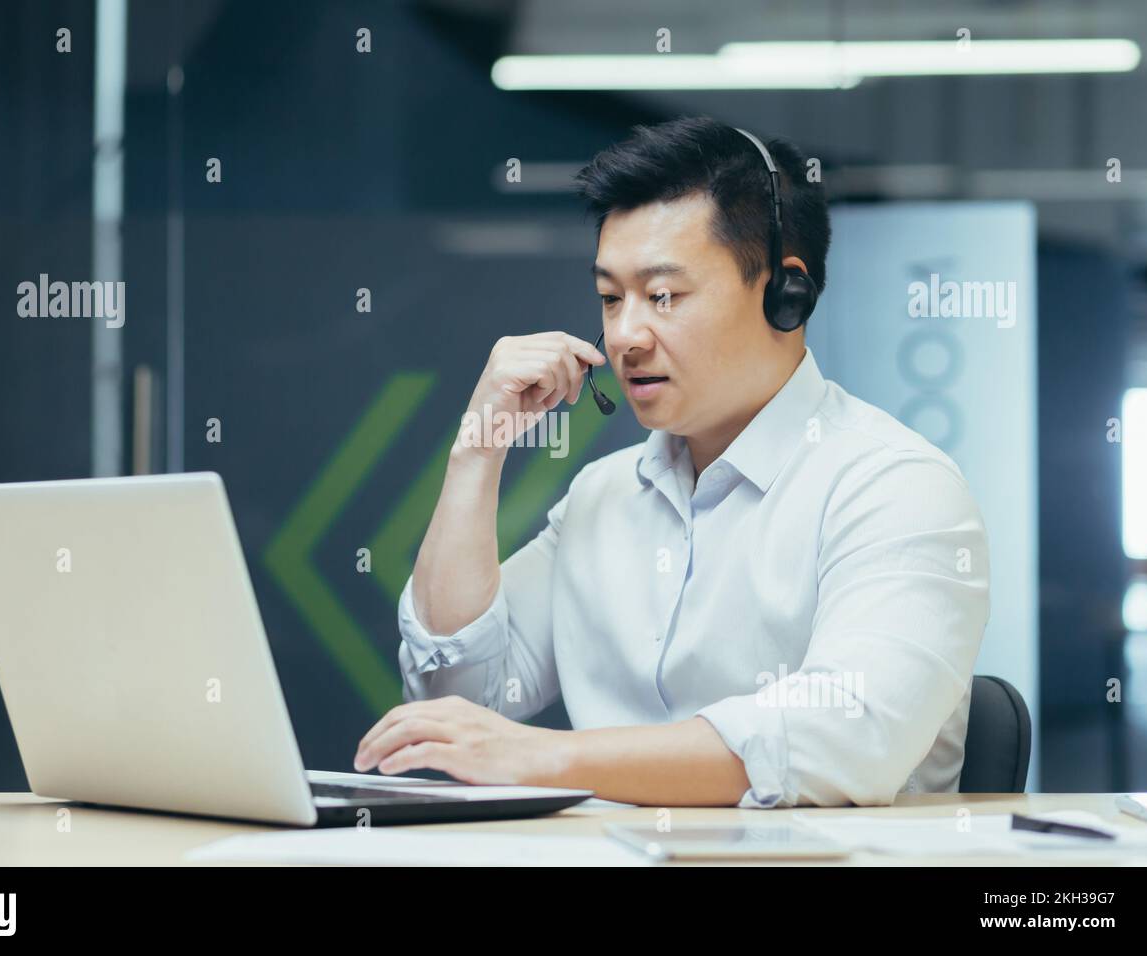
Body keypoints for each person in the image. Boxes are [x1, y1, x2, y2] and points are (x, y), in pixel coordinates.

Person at [354, 116, 990, 807]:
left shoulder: (895, 488)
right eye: (609, 298)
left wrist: (548, 757)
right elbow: (457, 701)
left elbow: (838, 737)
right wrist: (477, 450)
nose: (624, 335)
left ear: (786, 292)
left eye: (663, 296)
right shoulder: (602, 495)